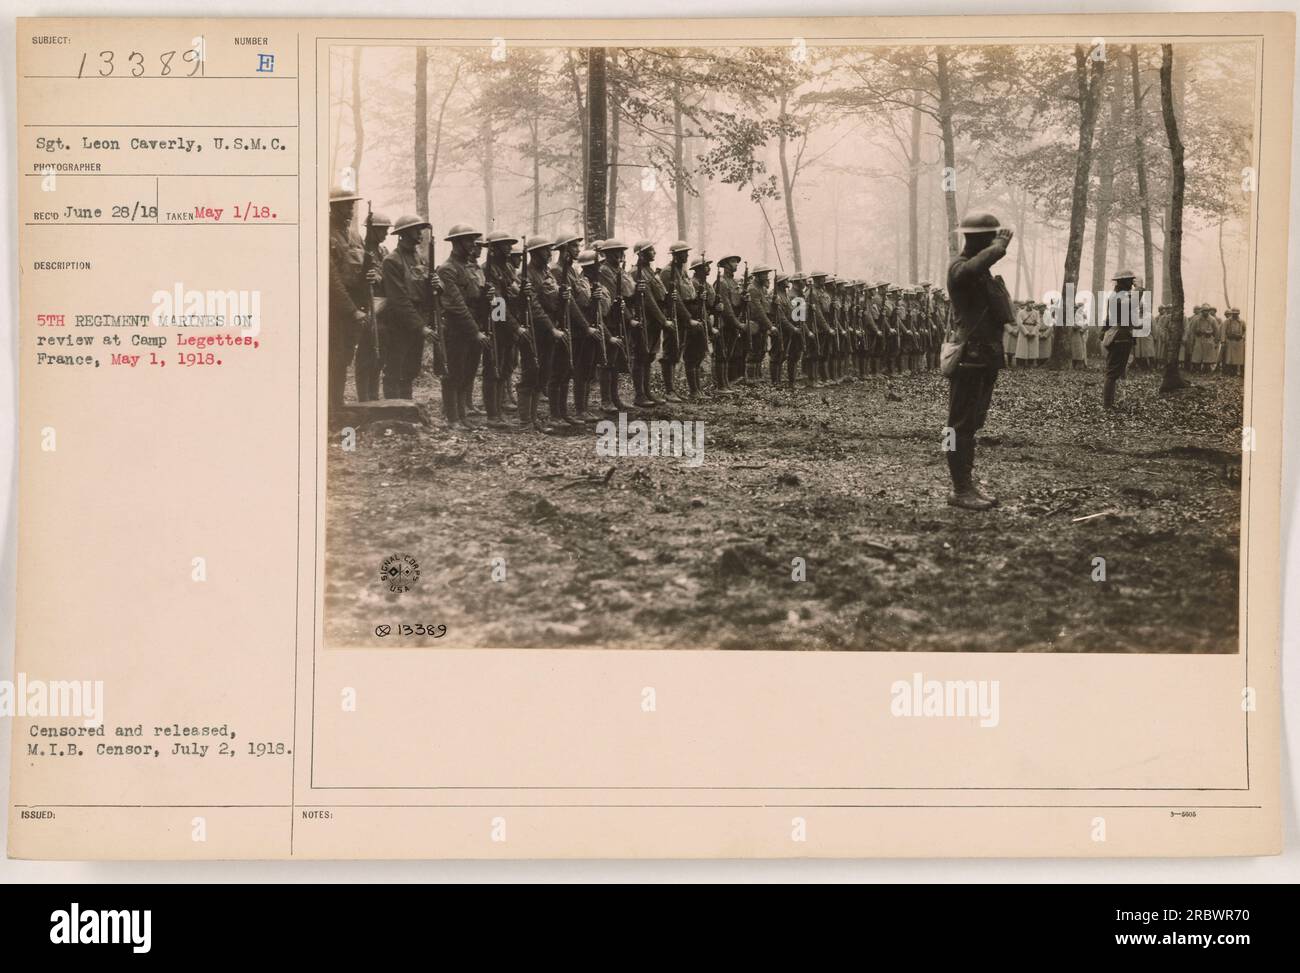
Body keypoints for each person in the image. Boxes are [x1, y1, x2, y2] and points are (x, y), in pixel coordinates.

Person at [944, 211, 1014, 511]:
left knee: (970, 425)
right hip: (968, 358)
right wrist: (997, 249)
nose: (994, 242)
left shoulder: (980, 272)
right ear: (979, 239)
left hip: (984, 356)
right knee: (957, 426)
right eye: (990, 237)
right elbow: (967, 271)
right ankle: (960, 489)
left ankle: (966, 483)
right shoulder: (960, 267)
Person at [434, 224, 494, 427]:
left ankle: (463, 416)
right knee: (453, 373)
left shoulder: (468, 268)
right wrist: (475, 331)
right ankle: (453, 418)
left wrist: (487, 296)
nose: (472, 244)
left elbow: (476, 298)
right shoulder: (447, 269)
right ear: (457, 242)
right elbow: (457, 305)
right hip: (456, 328)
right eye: (468, 240)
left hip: (472, 327)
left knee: (468, 372)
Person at [379, 213, 435, 402]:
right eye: (416, 230)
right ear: (404, 233)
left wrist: (436, 285)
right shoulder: (392, 261)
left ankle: (407, 409)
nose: (420, 234)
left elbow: (426, 292)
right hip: (399, 321)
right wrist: (420, 326)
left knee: (411, 368)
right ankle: (393, 412)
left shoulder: (420, 258)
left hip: (417, 317)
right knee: (395, 368)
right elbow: (399, 299)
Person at [327, 186, 367, 416]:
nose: (350, 208)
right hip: (334, 308)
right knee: (333, 358)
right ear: (334, 207)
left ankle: (337, 407)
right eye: (346, 204)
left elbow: (360, 270)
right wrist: (351, 310)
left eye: (352, 204)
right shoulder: (325, 233)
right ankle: (331, 411)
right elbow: (331, 279)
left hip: (353, 305)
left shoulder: (353, 236)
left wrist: (370, 273)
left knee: (343, 359)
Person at [355, 210, 390, 402]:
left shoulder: (384, 252)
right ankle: (364, 400)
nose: (385, 234)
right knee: (365, 356)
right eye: (382, 230)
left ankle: (374, 397)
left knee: (379, 355)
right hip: (366, 307)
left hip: (383, 309)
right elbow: (355, 279)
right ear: (372, 230)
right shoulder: (361, 251)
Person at [596, 239, 634, 412]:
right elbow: (614, 294)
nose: (619, 255)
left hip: (618, 317)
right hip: (608, 317)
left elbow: (628, 292)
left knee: (616, 360)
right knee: (607, 360)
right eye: (616, 252)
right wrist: (628, 316)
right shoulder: (604, 271)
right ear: (608, 253)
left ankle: (615, 397)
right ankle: (606, 400)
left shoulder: (619, 270)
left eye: (621, 251)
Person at [1101, 268, 1137, 409]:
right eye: (1130, 281)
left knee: (1116, 370)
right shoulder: (1122, 297)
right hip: (1121, 336)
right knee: (1113, 372)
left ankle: (1111, 402)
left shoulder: (1117, 296)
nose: (1132, 284)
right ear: (1124, 282)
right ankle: (1108, 404)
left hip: (1118, 335)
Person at [687, 253, 716, 399]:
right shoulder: (692, 283)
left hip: (703, 322)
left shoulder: (706, 285)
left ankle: (698, 390)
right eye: (706, 266)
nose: (708, 268)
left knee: (698, 357)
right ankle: (693, 390)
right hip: (694, 324)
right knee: (692, 357)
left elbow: (710, 305)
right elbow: (690, 304)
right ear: (698, 269)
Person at [1221, 307, 1246, 377]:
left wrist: (1242, 337)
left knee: (1237, 358)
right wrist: (1223, 341)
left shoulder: (1242, 321)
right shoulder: (1227, 321)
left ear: (1238, 314)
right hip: (1230, 341)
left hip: (1238, 341)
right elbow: (1223, 331)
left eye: (1236, 314)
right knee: (1229, 357)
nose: (1235, 315)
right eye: (1233, 313)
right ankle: (1229, 372)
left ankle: (1237, 372)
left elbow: (1246, 330)